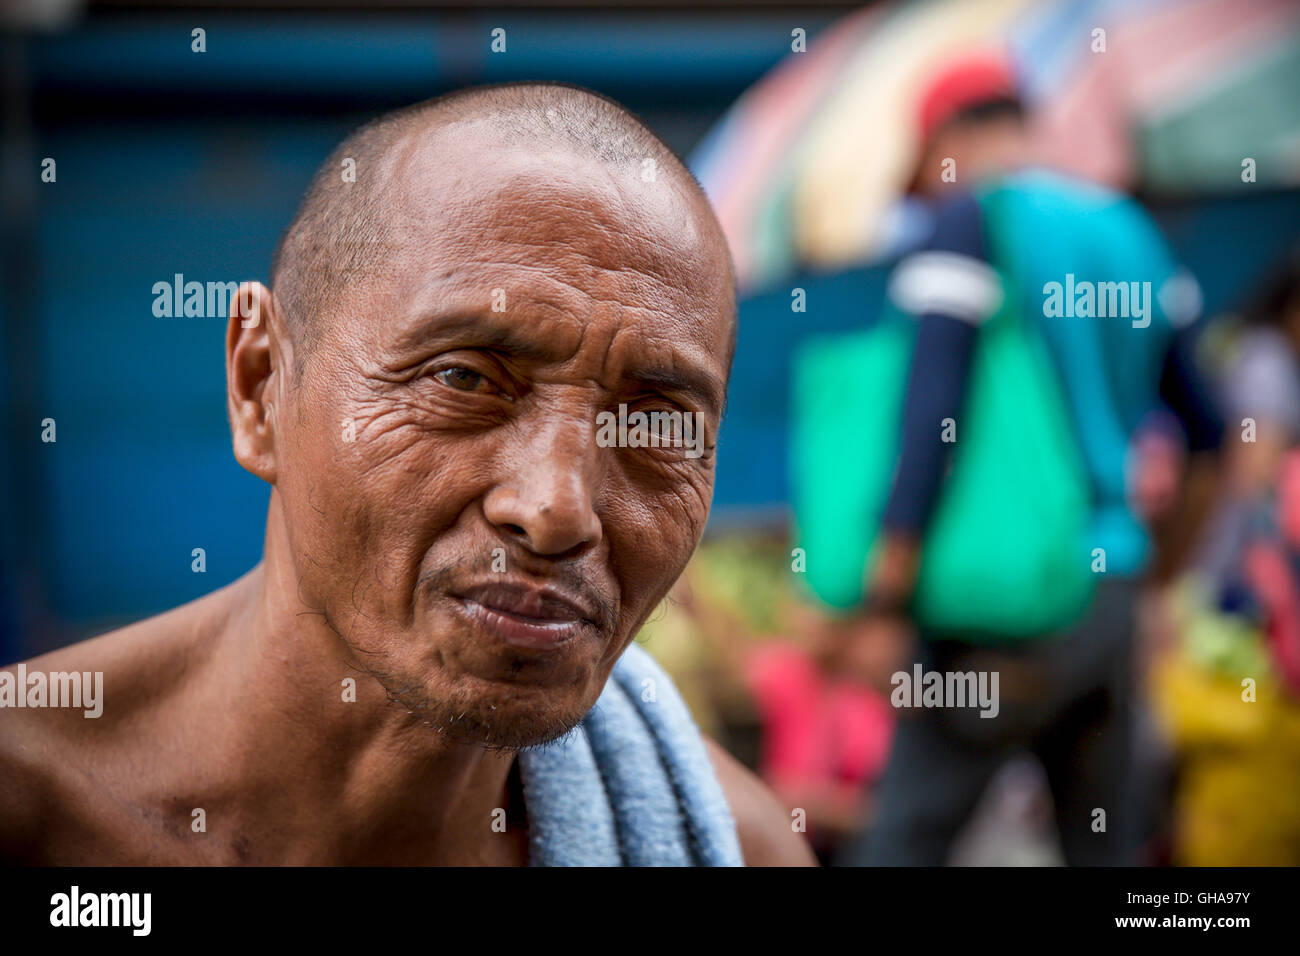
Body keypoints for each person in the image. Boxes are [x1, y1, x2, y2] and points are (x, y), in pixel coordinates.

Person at [0, 83, 814, 867]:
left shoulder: (737, 849)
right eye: (464, 379)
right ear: (261, 385)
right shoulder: (34, 811)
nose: (557, 509)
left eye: (653, 422)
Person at [831, 54, 1221, 866]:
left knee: (905, 839)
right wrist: (1155, 575)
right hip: (1110, 592)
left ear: (946, 141)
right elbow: (1214, 433)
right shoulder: (1129, 230)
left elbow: (933, 409)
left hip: (1003, 608)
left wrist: (883, 590)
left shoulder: (971, 221)